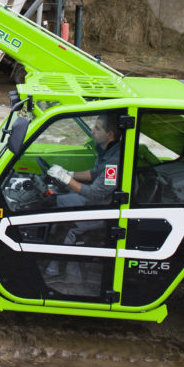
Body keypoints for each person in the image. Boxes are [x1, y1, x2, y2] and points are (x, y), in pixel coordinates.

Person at [40, 113, 122, 287]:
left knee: (67, 224)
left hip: (105, 210)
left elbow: (95, 193)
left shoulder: (115, 161)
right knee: (55, 202)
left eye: (97, 128)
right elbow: (94, 173)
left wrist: (66, 179)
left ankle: (58, 272)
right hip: (96, 203)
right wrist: (69, 173)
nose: (92, 131)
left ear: (110, 135)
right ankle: (46, 252)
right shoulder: (109, 150)